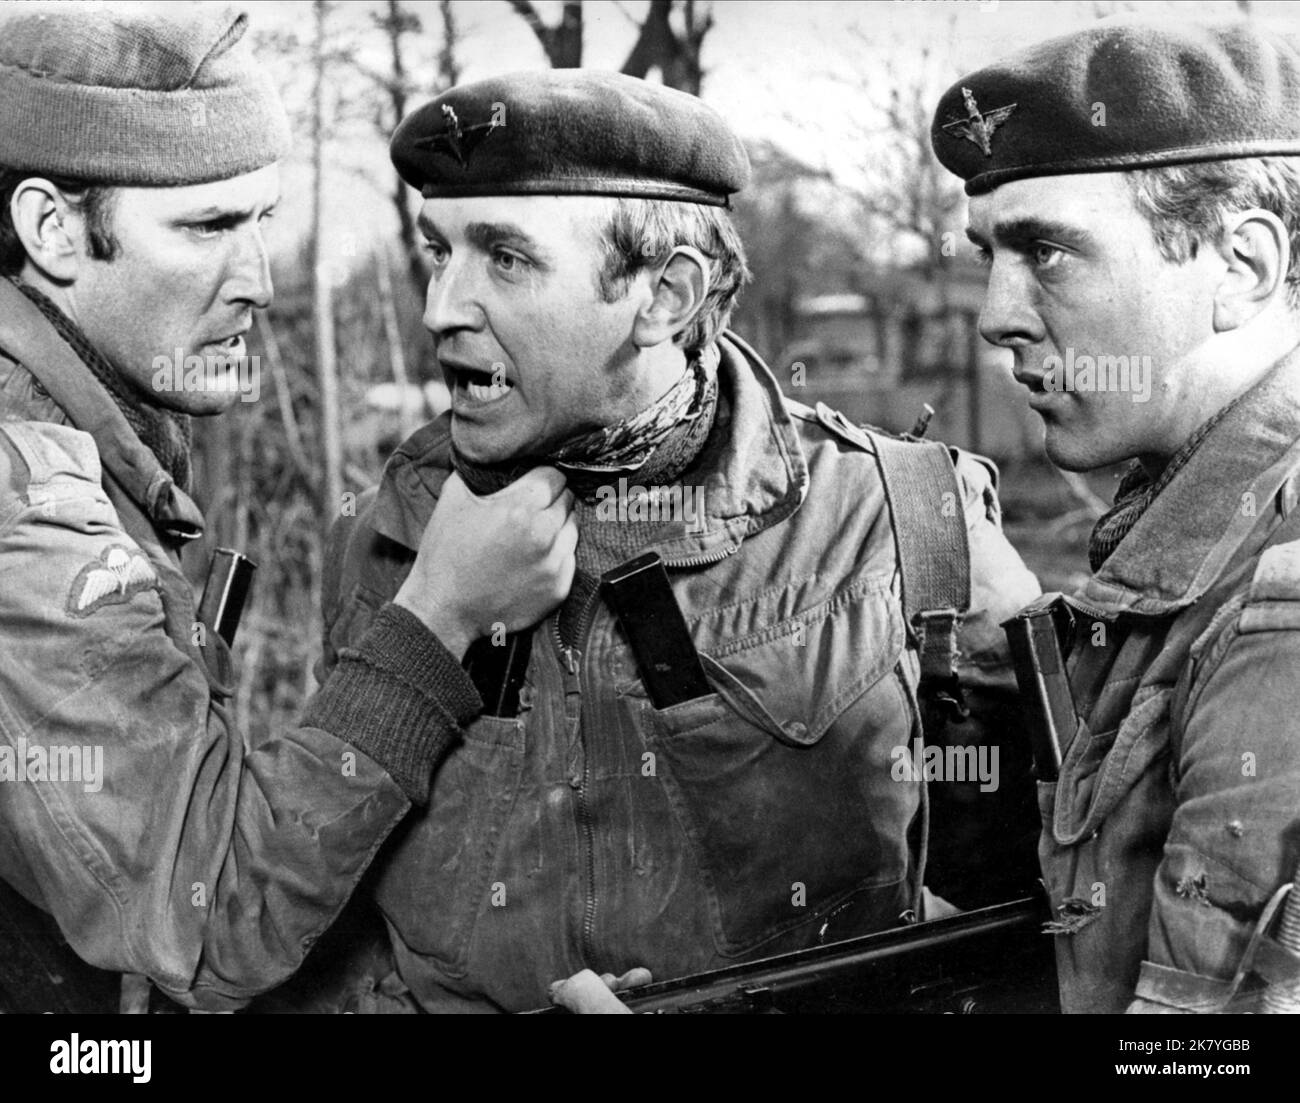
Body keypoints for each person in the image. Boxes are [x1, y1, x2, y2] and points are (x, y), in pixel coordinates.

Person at [318, 67, 1041, 1014]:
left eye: (503, 257)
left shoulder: (911, 518)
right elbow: (325, 899)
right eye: (438, 251)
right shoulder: (385, 533)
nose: (440, 307)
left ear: (664, 296)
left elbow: (1059, 920)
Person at [0, 5, 548, 1013]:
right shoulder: (24, 497)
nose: (257, 282)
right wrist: (437, 617)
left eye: (261, 221)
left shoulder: (91, 425)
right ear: (51, 229)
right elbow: (206, 920)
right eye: (207, 226)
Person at [931, 16, 1300, 1013]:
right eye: (988, 258)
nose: (995, 315)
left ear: (1243, 266)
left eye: (1045, 252)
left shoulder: (1281, 608)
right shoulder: (1191, 516)